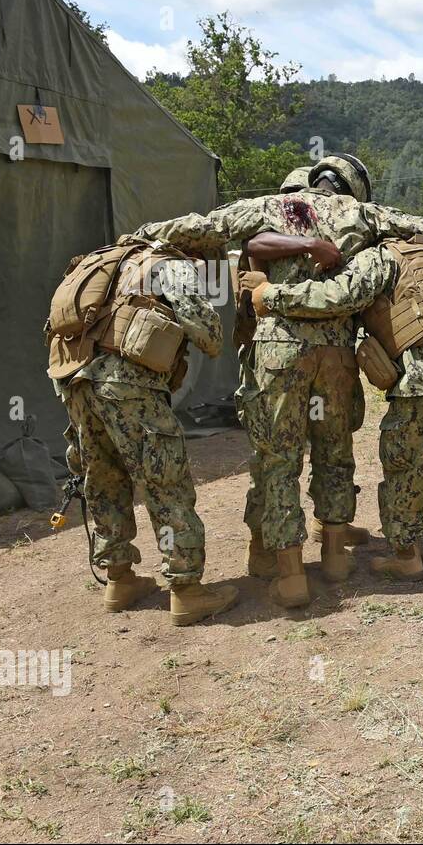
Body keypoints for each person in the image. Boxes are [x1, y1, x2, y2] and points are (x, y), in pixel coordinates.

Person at [137, 155, 376, 607]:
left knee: (276, 461)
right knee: (335, 452)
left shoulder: (269, 217)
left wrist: (148, 235)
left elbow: (209, 229)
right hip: (336, 353)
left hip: (278, 353)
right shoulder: (357, 219)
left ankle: (286, 572)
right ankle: (333, 558)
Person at [248, 232, 423, 581]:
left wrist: (270, 294)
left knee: (407, 467)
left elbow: (336, 297)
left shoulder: (384, 256)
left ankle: (407, 556)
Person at [50, 246, 238, 626]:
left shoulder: (108, 261)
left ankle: (119, 580)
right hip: (127, 386)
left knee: (103, 479)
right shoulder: (169, 265)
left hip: (75, 383)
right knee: (164, 483)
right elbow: (211, 337)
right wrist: (195, 281)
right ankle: (187, 591)